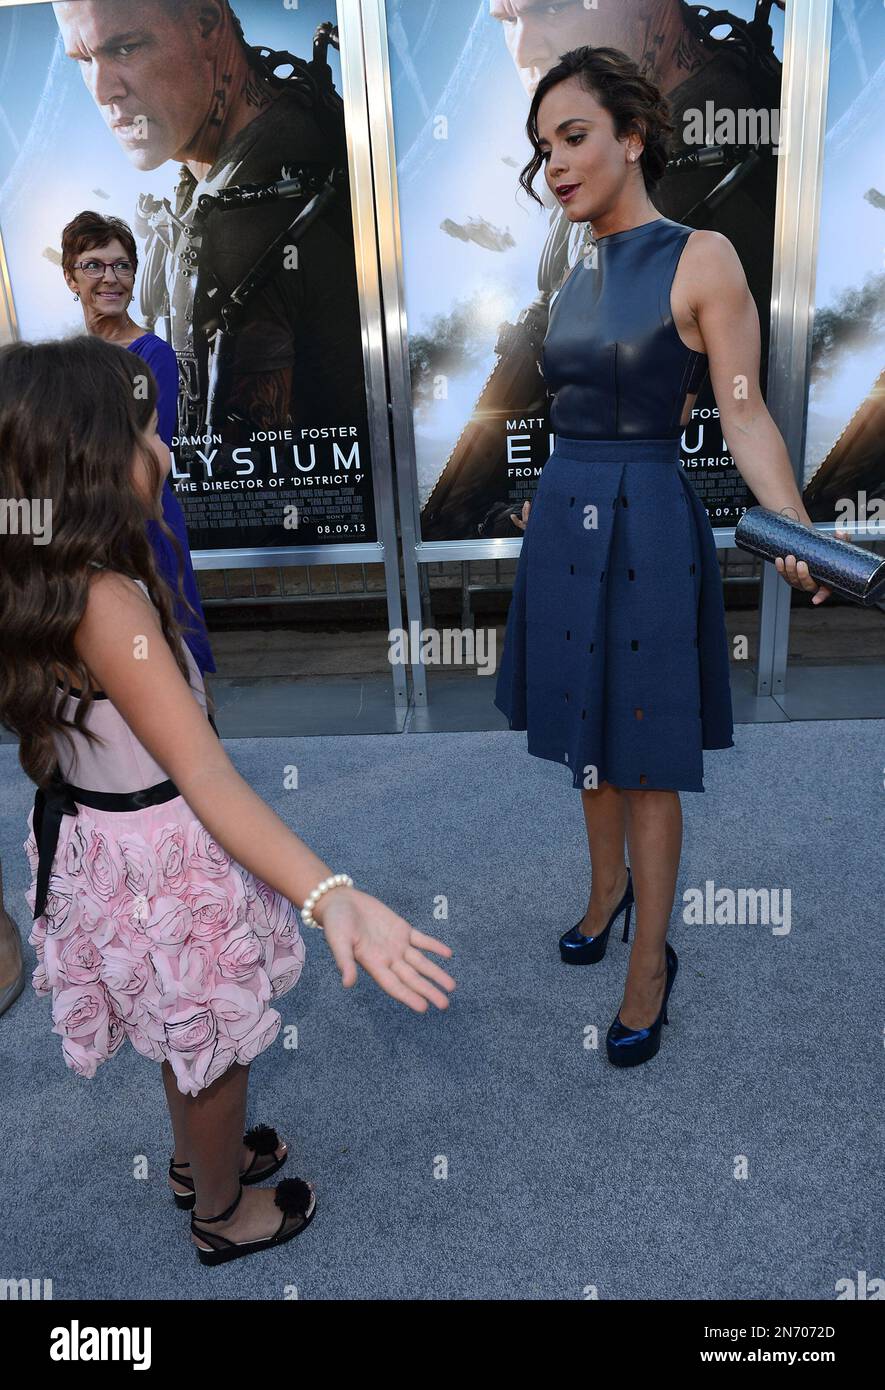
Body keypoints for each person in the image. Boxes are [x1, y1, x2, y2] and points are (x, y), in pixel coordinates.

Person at [0, 335, 455, 1265]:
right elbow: (205, 775)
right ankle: (222, 1212)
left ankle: (190, 1162)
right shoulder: (107, 603)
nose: (164, 452)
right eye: (145, 433)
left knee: (183, 1027)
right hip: (170, 856)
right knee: (215, 1047)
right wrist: (329, 895)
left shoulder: (32, 581)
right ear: (90, 465)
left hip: (99, 840)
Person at [493, 46, 847, 1068]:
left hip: (648, 517)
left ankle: (651, 960)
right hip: (567, 511)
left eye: (574, 138)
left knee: (644, 754)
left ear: (633, 136)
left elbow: (743, 417)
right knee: (585, 726)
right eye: (542, 148)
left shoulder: (703, 256)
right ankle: (605, 892)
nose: (555, 164)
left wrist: (796, 526)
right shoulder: (567, 262)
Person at [61, 209, 216, 682]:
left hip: (142, 526)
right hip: (81, 529)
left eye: (122, 265)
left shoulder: (152, 355)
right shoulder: (65, 361)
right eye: (94, 265)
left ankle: (196, 753)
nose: (111, 278)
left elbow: (147, 457)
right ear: (71, 278)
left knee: (170, 658)